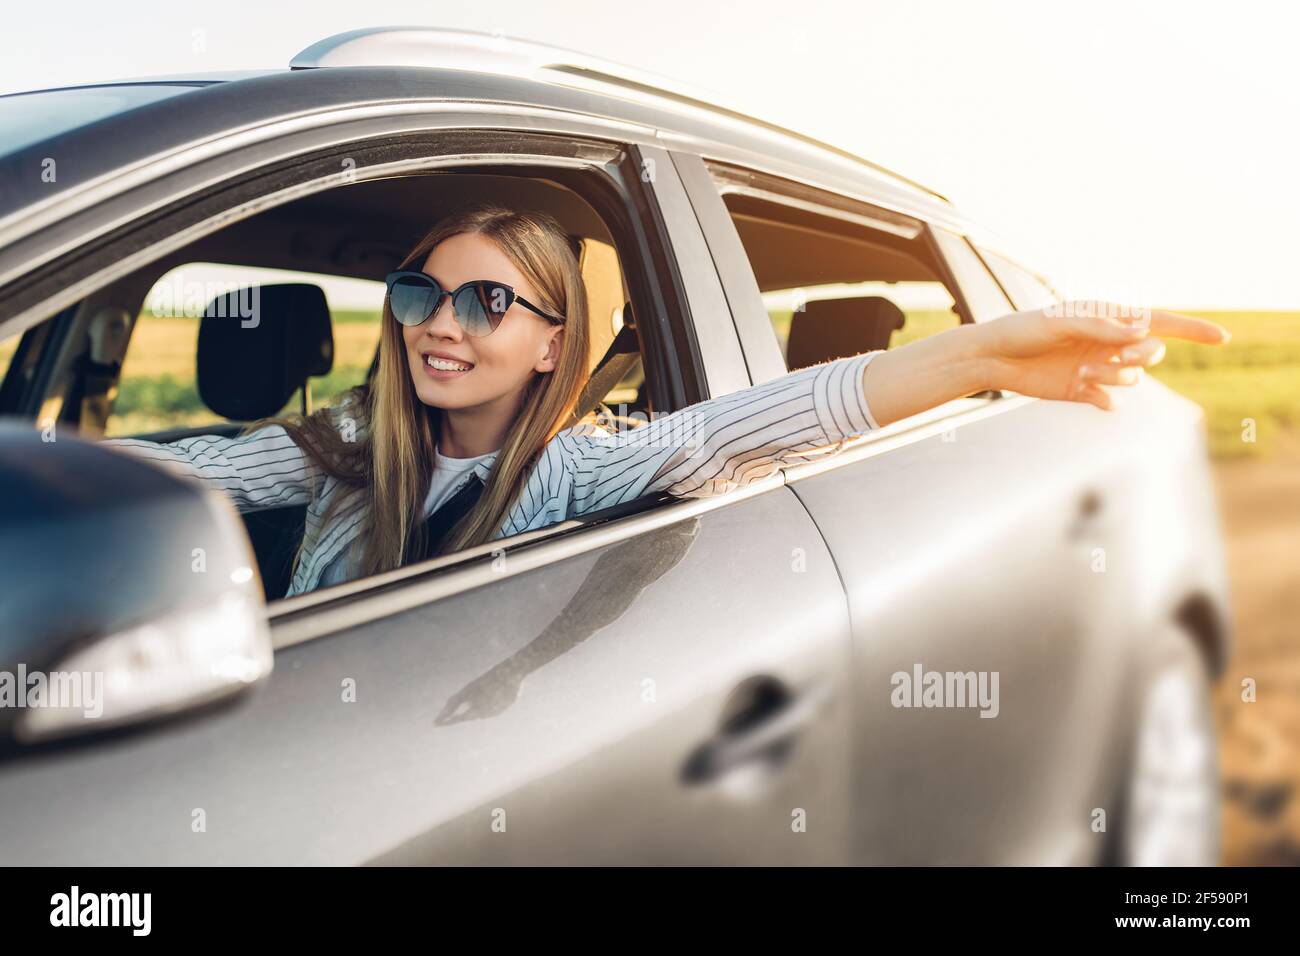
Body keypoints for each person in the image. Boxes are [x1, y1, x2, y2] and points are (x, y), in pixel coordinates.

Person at [105, 203, 1229, 597]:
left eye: (486, 301)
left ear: (554, 345)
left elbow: (781, 415)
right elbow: (188, 469)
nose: (441, 324)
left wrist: (980, 354)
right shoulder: (345, 444)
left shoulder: (576, 468)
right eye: (421, 294)